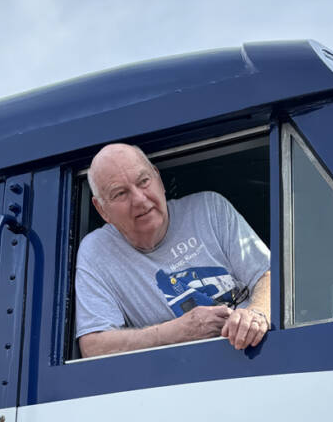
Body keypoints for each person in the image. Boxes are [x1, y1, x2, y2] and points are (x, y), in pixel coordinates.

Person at [75, 143, 271, 357]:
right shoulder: (96, 252)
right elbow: (93, 346)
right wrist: (172, 333)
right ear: (101, 209)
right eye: (121, 193)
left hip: (257, 355)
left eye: (144, 181)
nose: (140, 199)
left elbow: (269, 276)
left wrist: (255, 314)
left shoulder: (209, 208)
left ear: (158, 178)